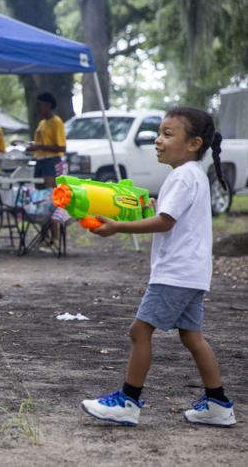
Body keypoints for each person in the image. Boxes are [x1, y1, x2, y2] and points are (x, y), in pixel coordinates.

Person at [81, 107, 236, 428]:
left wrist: (118, 228)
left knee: (139, 331)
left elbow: (165, 222)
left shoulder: (183, 175)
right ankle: (218, 404)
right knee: (192, 337)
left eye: (167, 134)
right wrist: (147, 206)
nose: (158, 140)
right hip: (192, 273)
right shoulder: (190, 174)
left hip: (175, 273)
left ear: (193, 143)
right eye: (159, 133)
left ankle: (128, 400)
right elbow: (170, 214)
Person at [27, 92, 65, 189]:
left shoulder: (56, 122)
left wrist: (40, 146)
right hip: (39, 160)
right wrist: (31, 146)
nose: (38, 108)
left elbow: (61, 148)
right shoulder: (42, 123)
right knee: (39, 190)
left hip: (51, 161)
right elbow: (40, 142)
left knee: (50, 190)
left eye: (40, 105)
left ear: (48, 105)